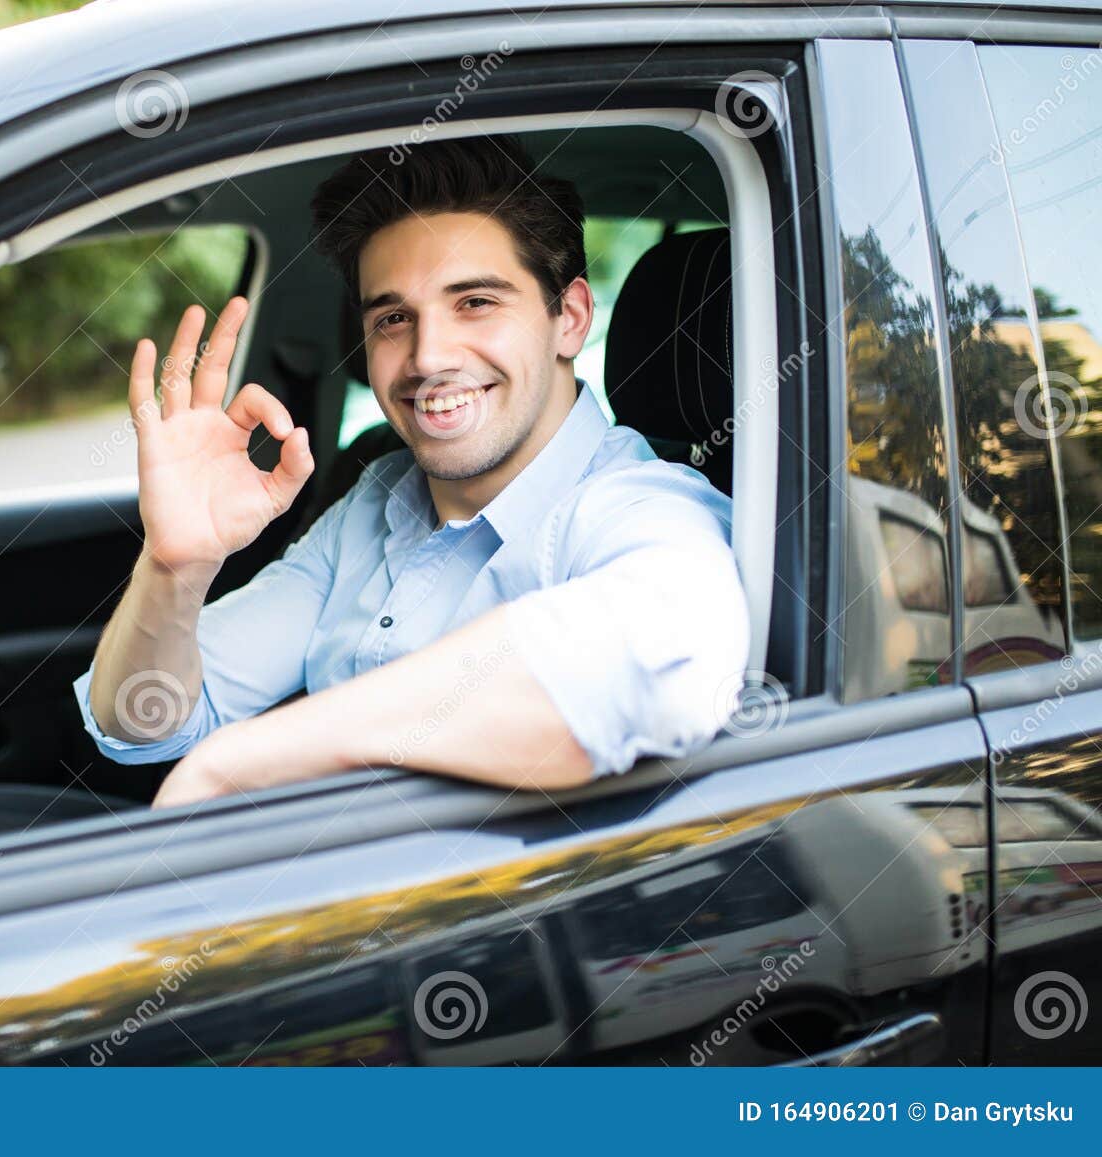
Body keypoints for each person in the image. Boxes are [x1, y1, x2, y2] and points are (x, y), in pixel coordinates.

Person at [73, 133, 749, 808]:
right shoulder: (374, 502)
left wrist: (243, 760)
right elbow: (142, 722)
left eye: (476, 302)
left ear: (568, 319)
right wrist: (173, 568)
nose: (428, 357)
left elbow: (662, 669)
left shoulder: (645, 505)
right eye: (394, 318)